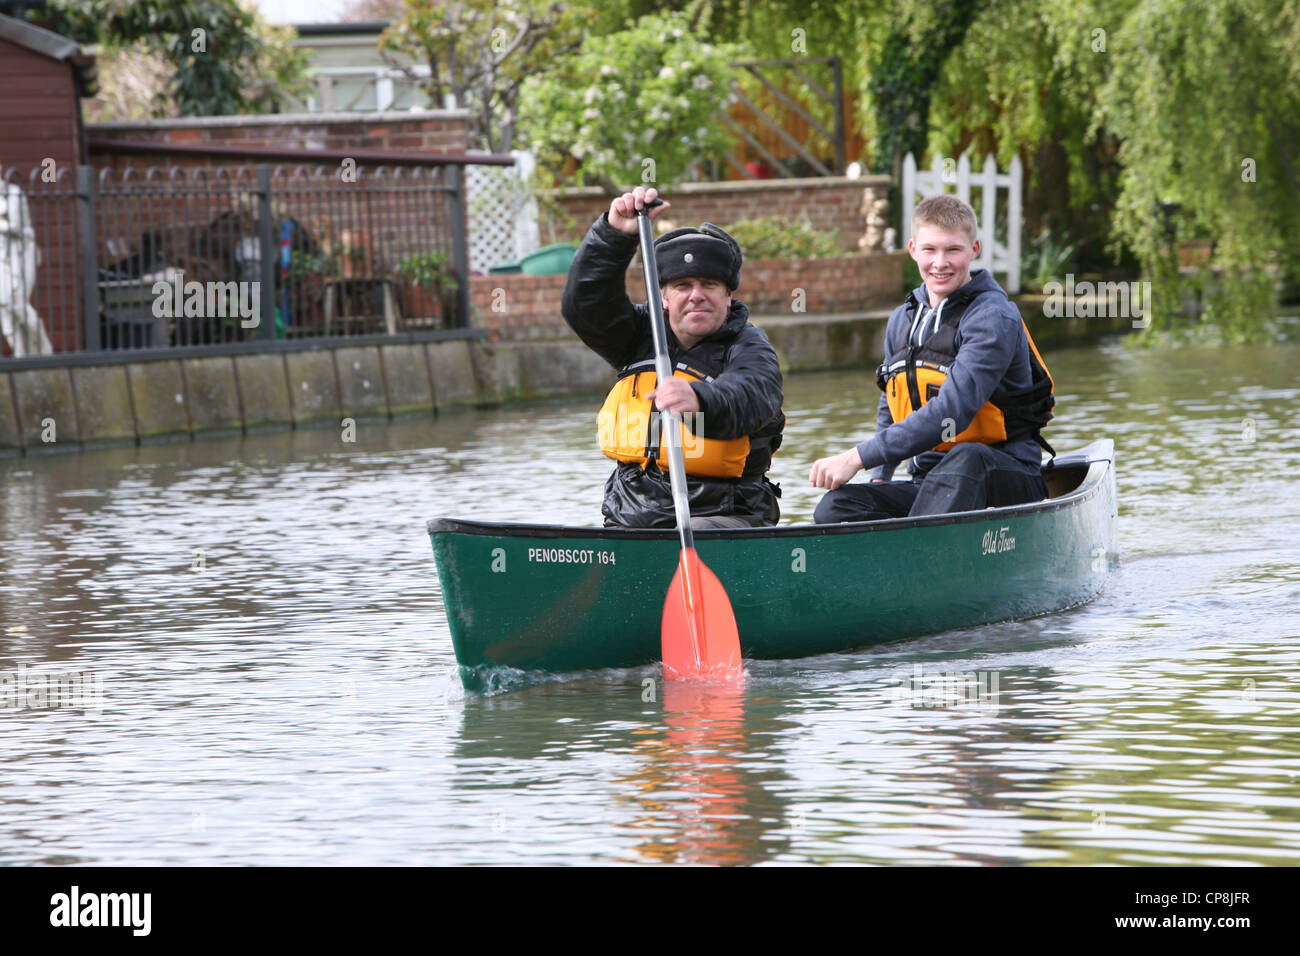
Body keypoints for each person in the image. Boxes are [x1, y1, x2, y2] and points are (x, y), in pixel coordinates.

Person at [810, 194, 1054, 522]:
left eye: (953, 249)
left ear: (974, 250)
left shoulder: (992, 317)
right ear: (913, 250)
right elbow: (891, 406)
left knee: (967, 458)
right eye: (930, 250)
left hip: (1005, 476)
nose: (940, 263)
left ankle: (917, 551)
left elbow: (952, 411)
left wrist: (857, 457)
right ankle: (908, 546)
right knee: (835, 507)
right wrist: (881, 476)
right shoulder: (901, 319)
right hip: (929, 485)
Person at [562, 185, 784, 529]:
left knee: (696, 530)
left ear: (728, 297)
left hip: (723, 516)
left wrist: (699, 398)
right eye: (683, 287)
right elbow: (585, 305)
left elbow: (749, 396)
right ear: (664, 297)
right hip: (631, 517)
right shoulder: (636, 336)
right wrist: (612, 236)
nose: (696, 296)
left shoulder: (750, 347)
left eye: (709, 285)